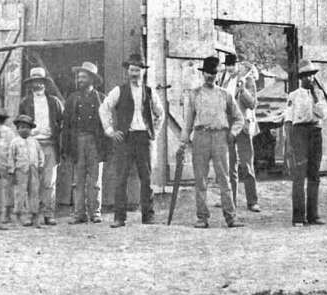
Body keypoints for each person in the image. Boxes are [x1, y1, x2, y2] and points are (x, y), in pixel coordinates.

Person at [179, 55, 245, 229]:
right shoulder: (194, 94)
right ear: (203, 73)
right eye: (207, 72)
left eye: (213, 73)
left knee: (224, 179)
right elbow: (188, 122)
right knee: (200, 180)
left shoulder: (225, 94)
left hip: (220, 138)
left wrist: (233, 133)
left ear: (217, 74)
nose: (210, 76)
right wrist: (183, 142)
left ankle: (231, 217)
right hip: (200, 137)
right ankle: (202, 217)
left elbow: (239, 118)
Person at [99, 52, 165, 228]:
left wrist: (154, 132)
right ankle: (119, 218)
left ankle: (148, 216)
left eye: (137, 70)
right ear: (127, 72)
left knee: (147, 178)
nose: (134, 73)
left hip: (144, 138)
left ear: (143, 72)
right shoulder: (119, 91)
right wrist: (110, 131)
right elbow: (104, 108)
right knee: (121, 178)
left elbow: (160, 113)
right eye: (131, 70)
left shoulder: (150, 92)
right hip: (125, 139)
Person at [61, 61, 107, 224]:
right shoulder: (72, 99)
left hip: (95, 143)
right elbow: (66, 125)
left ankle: (95, 212)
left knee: (95, 180)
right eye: (78, 77)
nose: (80, 80)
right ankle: (79, 213)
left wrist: (106, 148)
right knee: (78, 180)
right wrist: (66, 146)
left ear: (92, 79)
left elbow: (108, 124)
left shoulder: (102, 99)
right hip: (77, 142)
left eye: (83, 77)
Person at [18, 67, 64, 226]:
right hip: (32, 145)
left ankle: (48, 214)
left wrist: (55, 130)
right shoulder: (25, 102)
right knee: (31, 181)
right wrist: (31, 131)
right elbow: (20, 125)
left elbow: (63, 122)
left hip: (50, 144)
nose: (37, 84)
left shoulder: (54, 102)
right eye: (34, 82)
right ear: (30, 84)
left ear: (45, 83)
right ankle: (31, 214)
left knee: (49, 181)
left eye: (40, 81)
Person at [283, 59, 326, 227]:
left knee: (314, 175)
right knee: (299, 175)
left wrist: (315, 96)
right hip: (299, 133)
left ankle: (313, 215)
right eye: (306, 75)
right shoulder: (294, 96)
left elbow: (323, 114)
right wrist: (289, 143)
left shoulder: (319, 95)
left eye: (311, 75)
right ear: (301, 77)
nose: (309, 79)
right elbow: (288, 120)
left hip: (315, 132)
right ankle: (298, 217)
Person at [219, 53, 260, 213]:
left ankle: (252, 201)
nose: (230, 68)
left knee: (247, 165)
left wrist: (242, 90)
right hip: (227, 127)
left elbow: (253, 104)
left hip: (242, 126)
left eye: (232, 65)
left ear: (237, 65)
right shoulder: (224, 81)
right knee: (230, 166)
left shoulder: (248, 80)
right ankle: (232, 201)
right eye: (227, 65)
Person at [9, 114, 44, 228]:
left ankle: (34, 216)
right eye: (22, 127)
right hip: (20, 171)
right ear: (17, 129)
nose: (24, 130)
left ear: (31, 129)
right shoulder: (15, 142)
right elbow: (11, 158)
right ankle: (19, 216)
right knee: (20, 193)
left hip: (33, 170)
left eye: (27, 128)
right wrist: (12, 171)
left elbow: (40, 155)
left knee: (34, 193)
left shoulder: (34, 142)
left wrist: (40, 166)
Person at [0, 105, 17, 222]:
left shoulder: (8, 132)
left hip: (5, 165)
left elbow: (12, 149)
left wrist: (11, 165)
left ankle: (6, 214)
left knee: (6, 190)